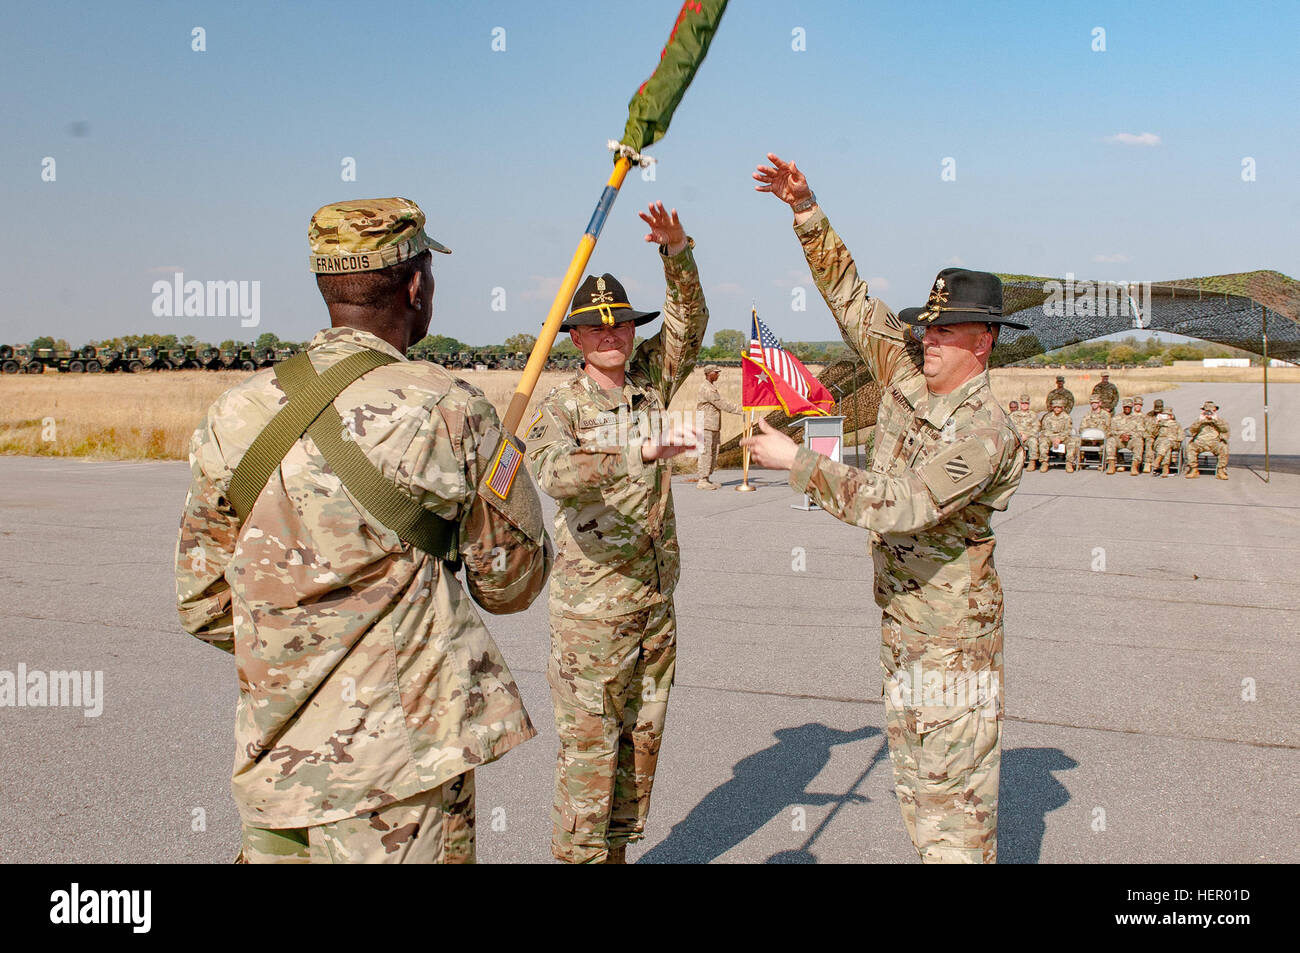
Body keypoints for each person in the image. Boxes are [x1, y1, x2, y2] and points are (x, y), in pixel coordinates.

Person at [174, 197, 552, 863]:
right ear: (416, 285)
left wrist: (302, 643)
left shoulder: (236, 412)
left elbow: (204, 602)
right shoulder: (450, 407)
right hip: (398, 781)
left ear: (327, 286)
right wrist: (504, 470)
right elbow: (511, 583)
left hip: (273, 767)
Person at [744, 153, 1026, 863]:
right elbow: (852, 302)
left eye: (945, 330)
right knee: (919, 803)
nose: (927, 338)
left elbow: (901, 504)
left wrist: (797, 462)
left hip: (953, 646)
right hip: (905, 628)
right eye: (927, 326)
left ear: (983, 341)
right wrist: (806, 212)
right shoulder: (906, 375)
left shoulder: (986, 431)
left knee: (955, 820)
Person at [526, 201, 708, 863]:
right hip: (593, 618)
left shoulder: (649, 382)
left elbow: (691, 323)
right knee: (589, 764)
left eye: (622, 324)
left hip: (654, 611)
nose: (611, 335)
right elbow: (553, 472)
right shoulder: (561, 407)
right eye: (596, 328)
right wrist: (640, 452)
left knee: (636, 760)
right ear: (576, 338)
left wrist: (677, 251)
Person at [695, 364, 744, 488]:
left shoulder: (711, 387)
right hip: (706, 424)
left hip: (712, 424)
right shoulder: (707, 388)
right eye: (716, 372)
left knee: (713, 450)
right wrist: (740, 409)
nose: (718, 375)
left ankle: (707, 477)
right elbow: (721, 404)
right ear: (709, 374)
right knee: (706, 451)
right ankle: (702, 479)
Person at [1186, 400, 1230, 480]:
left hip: (1215, 443)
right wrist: (1200, 421)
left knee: (1224, 447)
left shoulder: (1220, 420)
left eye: (1211, 411)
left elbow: (1225, 429)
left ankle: (1220, 471)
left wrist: (1216, 420)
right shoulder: (1199, 420)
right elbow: (1191, 430)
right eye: (1207, 411)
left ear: (1215, 410)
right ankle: (1194, 469)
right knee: (1190, 447)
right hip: (1200, 443)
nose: (1209, 413)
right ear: (1203, 411)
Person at [1037, 397, 1080, 472]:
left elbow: (1067, 430)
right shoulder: (1048, 417)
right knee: (1043, 441)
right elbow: (1045, 430)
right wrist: (1053, 439)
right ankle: (1044, 462)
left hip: (1062, 437)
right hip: (1050, 437)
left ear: (1062, 408)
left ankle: (1069, 463)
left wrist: (1059, 439)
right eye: (1055, 407)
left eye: (1059, 407)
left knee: (1072, 442)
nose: (1057, 409)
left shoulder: (1066, 417)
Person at [1105, 398, 1145, 475]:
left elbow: (1141, 432)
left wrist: (1130, 435)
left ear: (1132, 407)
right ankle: (1111, 465)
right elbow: (1111, 431)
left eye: (1129, 407)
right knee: (1110, 440)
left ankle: (1134, 467)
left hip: (1131, 440)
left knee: (1139, 442)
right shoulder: (1116, 418)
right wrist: (1121, 435)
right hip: (1120, 440)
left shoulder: (1137, 419)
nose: (1127, 408)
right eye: (1125, 407)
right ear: (1123, 407)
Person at [1078, 397, 1112, 470]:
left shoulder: (1106, 415)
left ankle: (1102, 463)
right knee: (1075, 441)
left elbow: (1109, 429)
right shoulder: (1087, 415)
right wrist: (1090, 438)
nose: (1094, 405)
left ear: (1100, 403)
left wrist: (1098, 438)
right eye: (1092, 403)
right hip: (1088, 439)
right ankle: (1078, 461)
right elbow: (1082, 428)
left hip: (1101, 439)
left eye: (1096, 403)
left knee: (1108, 443)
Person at [1009, 394, 1041, 470]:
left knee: (1033, 441)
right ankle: (1009, 463)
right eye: (1023, 403)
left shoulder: (1033, 415)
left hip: (1028, 437)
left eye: (1026, 403)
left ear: (1029, 404)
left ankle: (1032, 462)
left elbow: (1037, 427)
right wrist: (1017, 434)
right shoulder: (1014, 415)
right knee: (1008, 442)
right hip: (1016, 436)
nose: (1024, 405)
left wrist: (1027, 435)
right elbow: (1009, 427)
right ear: (1020, 404)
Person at [1150, 400, 1181, 477]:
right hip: (1160, 443)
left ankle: (1158, 461)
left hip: (1173, 442)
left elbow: (1181, 436)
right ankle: (1165, 468)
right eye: (1164, 415)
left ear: (1171, 416)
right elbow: (1153, 433)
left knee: (1167, 442)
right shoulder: (1159, 424)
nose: (1166, 417)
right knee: (1166, 447)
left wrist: (1173, 439)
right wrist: (1157, 423)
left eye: (1167, 415)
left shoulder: (1176, 424)